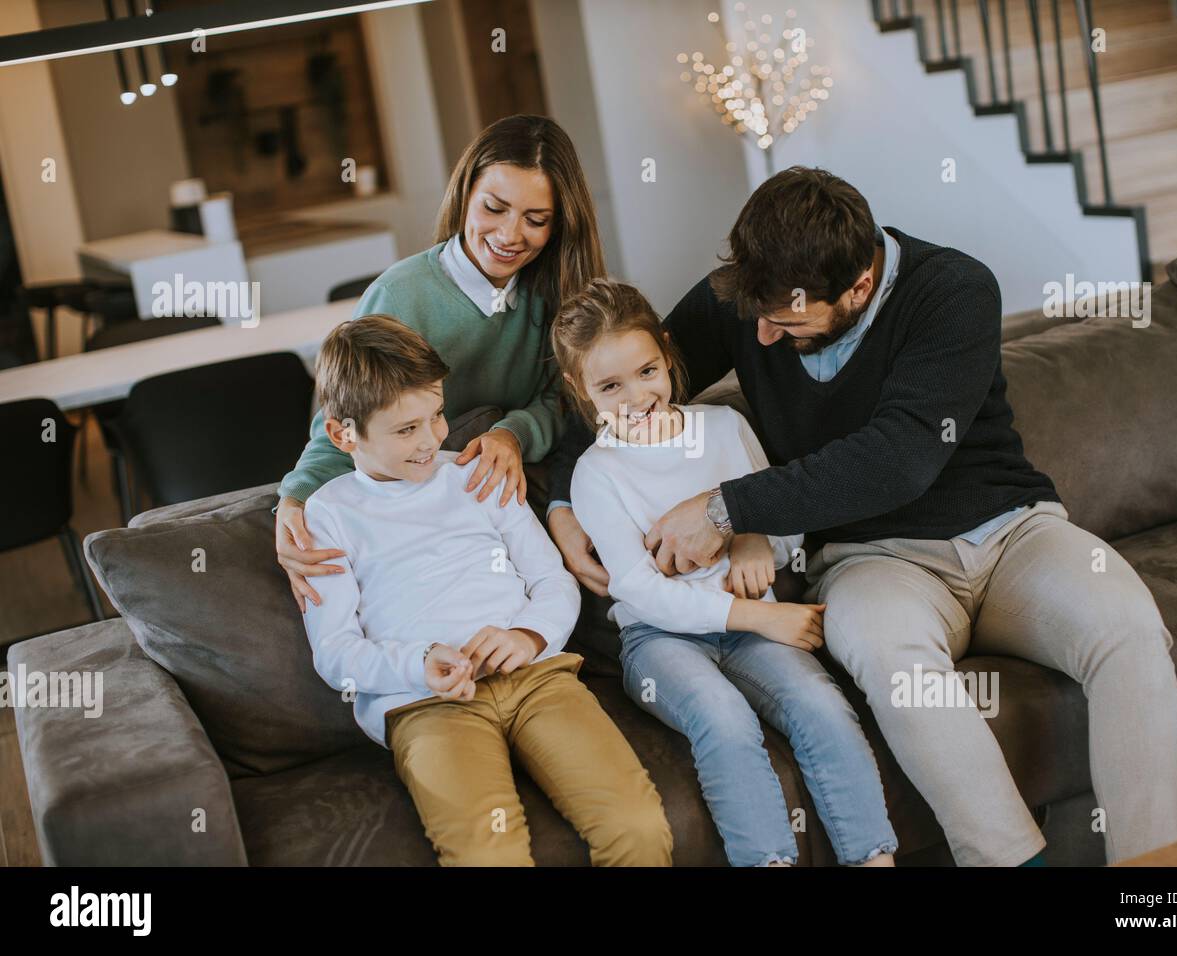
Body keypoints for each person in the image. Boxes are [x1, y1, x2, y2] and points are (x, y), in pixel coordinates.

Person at [545, 167, 1177, 866]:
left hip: (1010, 533)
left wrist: (728, 509)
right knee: (891, 659)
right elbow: (620, 382)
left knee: (1130, 633)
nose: (758, 335)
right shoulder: (750, 296)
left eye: (785, 324)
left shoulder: (953, 291)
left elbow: (901, 458)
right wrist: (558, 500)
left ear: (856, 291)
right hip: (871, 562)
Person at [300, 314, 672, 866]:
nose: (431, 441)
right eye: (406, 430)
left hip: (537, 678)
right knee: (486, 854)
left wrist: (526, 635)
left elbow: (552, 581)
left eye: (436, 416)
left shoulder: (477, 474)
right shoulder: (327, 516)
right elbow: (335, 654)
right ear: (342, 434)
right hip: (427, 705)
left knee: (637, 827)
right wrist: (419, 663)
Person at [554, 278, 897, 867]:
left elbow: (787, 522)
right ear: (579, 390)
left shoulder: (723, 427)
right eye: (609, 387)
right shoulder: (595, 474)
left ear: (666, 353)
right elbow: (639, 589)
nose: (636, 398)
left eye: (646, 372)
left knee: (820, 703)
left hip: (751, 630)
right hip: (659, 640)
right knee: (724, 719)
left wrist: (754, 539)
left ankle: (873, 858)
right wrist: (760, 614)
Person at [276, 114, 606, 612]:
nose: (510, 235)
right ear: (466, 193)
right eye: (494, 208)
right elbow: (344, 421)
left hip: (520, 497)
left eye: (536, 220)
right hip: (432, 510)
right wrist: (296, 499)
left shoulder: (553, 293)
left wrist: (513, 433)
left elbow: (564, 401)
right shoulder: (400, 293)